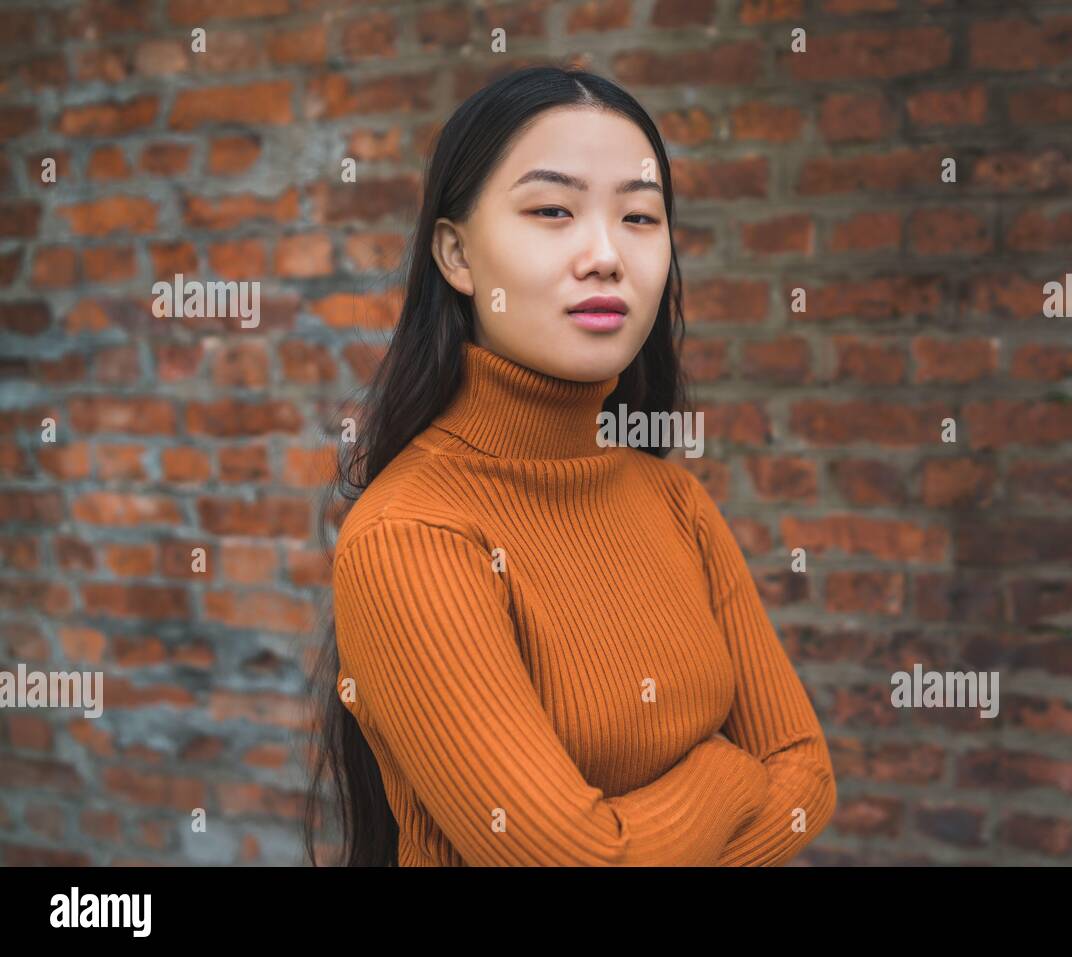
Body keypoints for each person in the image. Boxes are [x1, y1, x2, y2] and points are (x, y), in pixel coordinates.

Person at [305, 65, 836, 867]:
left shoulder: (673, 500)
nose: (605, 255)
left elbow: (808, 778)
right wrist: (727, 773)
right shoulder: (411, 536)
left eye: (640, 216)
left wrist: (646, 831)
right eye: (552, 210)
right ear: (455, 253)